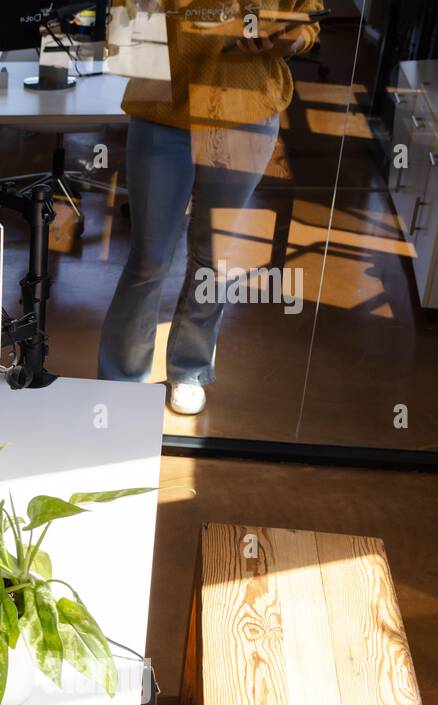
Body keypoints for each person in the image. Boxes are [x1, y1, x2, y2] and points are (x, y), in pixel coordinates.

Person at [97, 0, 322, 414]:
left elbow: (307, 19)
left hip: (245, 110)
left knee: (214, 254)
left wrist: (288, 40)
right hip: (164, 108)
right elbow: (127, 19)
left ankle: (189, 369)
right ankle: (122, 376)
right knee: (149, 256)